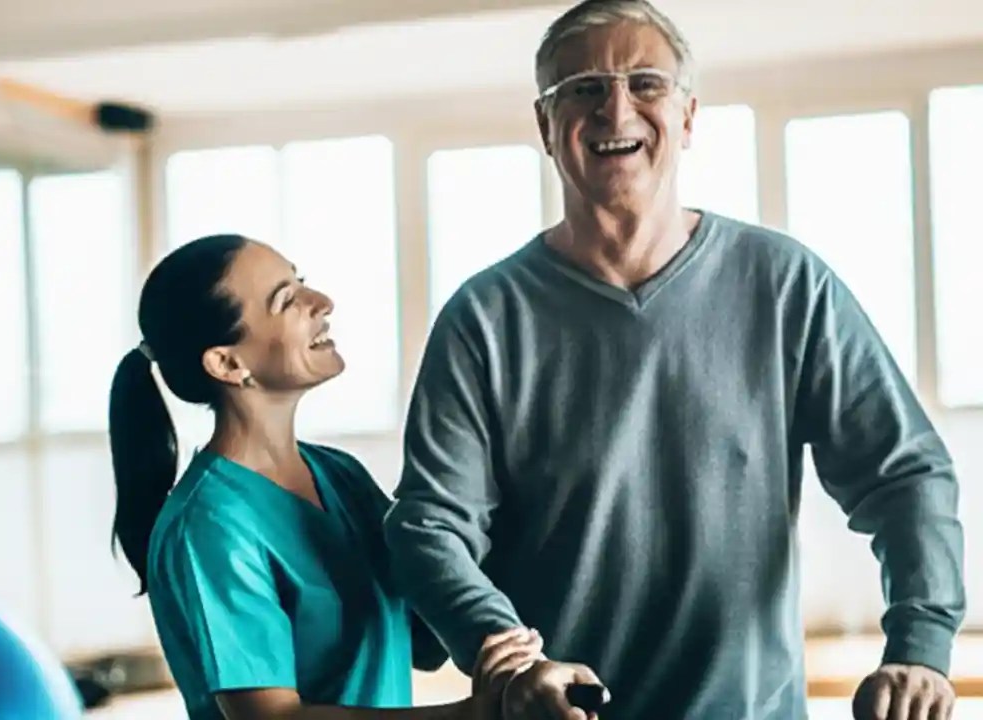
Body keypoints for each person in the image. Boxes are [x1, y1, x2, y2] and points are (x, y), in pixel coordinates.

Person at [382, 2, 965, 719]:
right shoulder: (485, 319)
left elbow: (904, 474)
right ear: (545, 125)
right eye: (584, 88)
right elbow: (429, 525)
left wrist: (920, 645)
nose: (615, 109)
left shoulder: (785, 285)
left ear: (688, 118)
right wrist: (506, 654)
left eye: (645, 84)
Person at [107, 234, 543, 720]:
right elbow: (272, 718)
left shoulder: (341, 477)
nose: (322, 303)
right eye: (287, 300)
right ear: (228, 363)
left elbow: (423, 640)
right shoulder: (208, 528)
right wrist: (469, 715)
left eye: (302, 283)